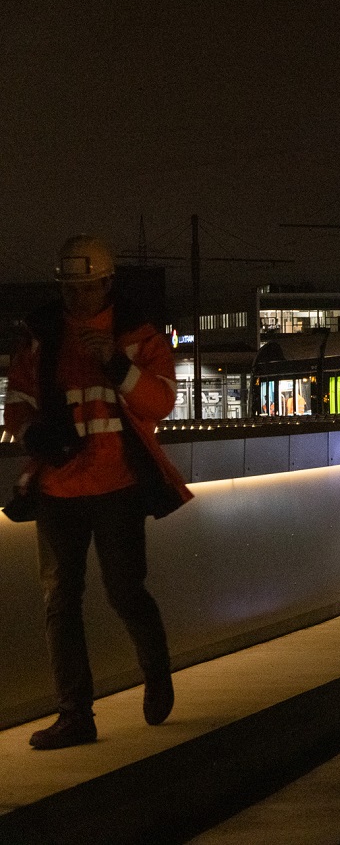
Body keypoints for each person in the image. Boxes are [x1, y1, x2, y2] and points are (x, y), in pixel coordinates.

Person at [4, 235, 192, 749]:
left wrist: (118, 364)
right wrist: (29, 432)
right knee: (60, 601)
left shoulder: (137, 337)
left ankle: (155, 675)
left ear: (108, 283)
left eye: (86, 287)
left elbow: (160, 403)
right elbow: (17, 398)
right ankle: (75, 715)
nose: (77, 298)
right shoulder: (41, 336)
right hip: (59, 486)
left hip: (118, 485)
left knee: (124, 590)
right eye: (70, 287)